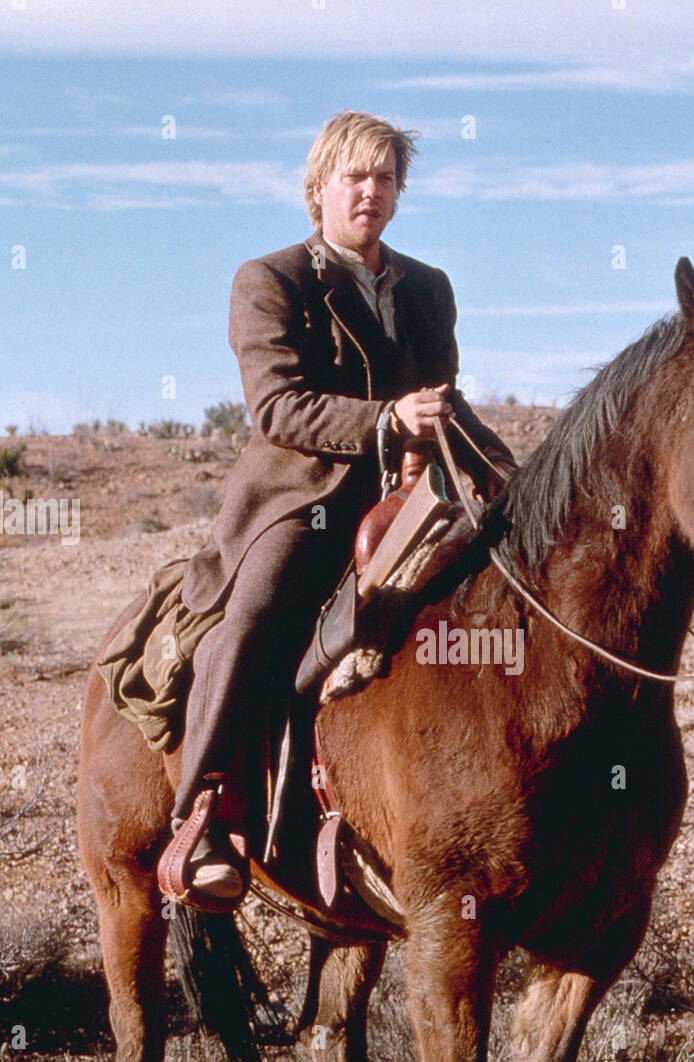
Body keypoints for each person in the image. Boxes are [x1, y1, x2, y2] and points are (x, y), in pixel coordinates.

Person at [159, 110, 515, 906]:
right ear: (318, 189)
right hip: (302, 494)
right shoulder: (271, 279)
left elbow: (443, 400)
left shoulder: (428, 288)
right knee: (254, 610)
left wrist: (512, 476)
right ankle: (208, 809)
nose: (372, 192)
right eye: (356, 177)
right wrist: (386, 421)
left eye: (386, 179)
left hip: (410, 494)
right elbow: (278, 407)